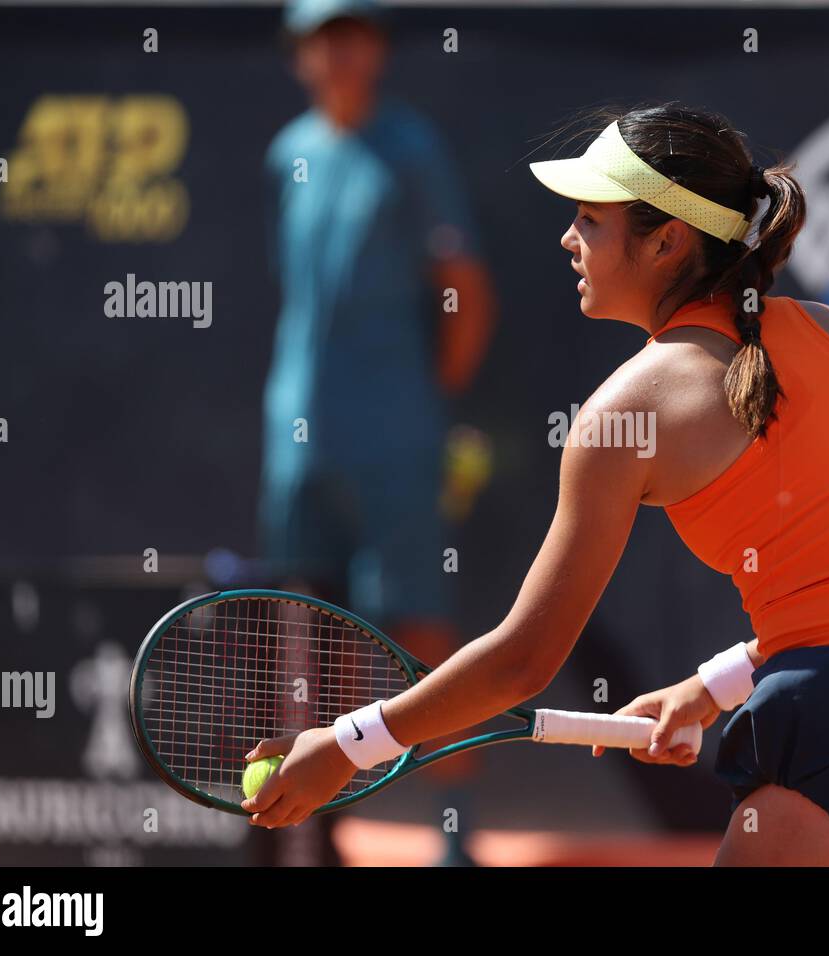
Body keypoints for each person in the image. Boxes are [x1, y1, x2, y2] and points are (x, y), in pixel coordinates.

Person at [243, 102, 829, 866]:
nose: (569, 239)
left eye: (591, 221)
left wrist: (347, 745)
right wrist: (710, 690)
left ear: (667, 241)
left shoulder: (625, 412)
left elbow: (523, 662)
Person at [257, 0, 496, 865]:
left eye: (357, 35)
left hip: (398, 435)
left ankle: (455, 829)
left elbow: (464, 290)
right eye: (326, 39)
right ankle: (322, 833)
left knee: (416, 629)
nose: (344, 53)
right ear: (301, 57)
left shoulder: (413, 151)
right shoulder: (288, 154)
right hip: (298, 439)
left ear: (379, 50)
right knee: (305, 632)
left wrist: (426, 408)